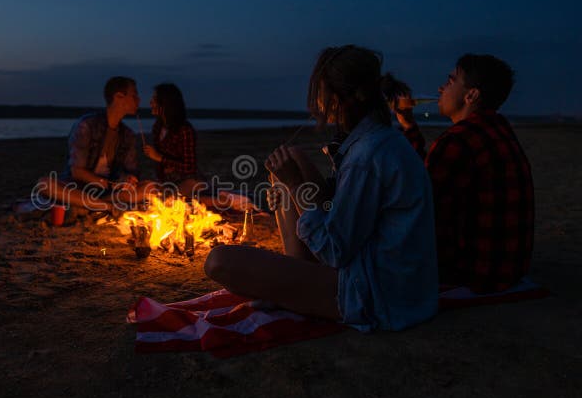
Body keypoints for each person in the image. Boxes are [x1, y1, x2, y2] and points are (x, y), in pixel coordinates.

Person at [204, 45, 438, 332]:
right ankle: (297, 275)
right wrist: (291, 186)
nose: (318, 102)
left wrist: (294, 185)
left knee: (219, 261)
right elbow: (337, 211)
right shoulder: (376, 138)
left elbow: (334, 251)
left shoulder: (367, 156)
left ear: (341, 99)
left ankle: (296, 290)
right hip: (387, 279)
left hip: (378, 296)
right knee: (291, 160)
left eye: (322, 93)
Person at [394, 54, 534, 293]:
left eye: (450, 81)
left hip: (472, 273)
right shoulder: (498, 129)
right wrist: (408, 126)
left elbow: (419, 204)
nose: (441, 88)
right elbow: (430, 178)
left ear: (471, 95)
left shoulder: (458, 140)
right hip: (510, 268)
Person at [36, 76, 153, 215]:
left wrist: (128, 179)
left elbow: (131, 170)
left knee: (149, 187)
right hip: (78, 188)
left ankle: (90, 205)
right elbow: (77, 172)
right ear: (119, 96)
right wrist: (103, 182)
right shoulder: (87, 125)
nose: (138, 100)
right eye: (134, 95)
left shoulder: (128, 134)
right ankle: (105, 206)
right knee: (44, 184)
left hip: (108, 192)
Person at [141, 82, 255, 211]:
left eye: (154, 99)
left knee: (179, 200)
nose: (150, 103)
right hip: (170, 182)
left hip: (189, 180)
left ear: (165, 103)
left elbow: (190, 166)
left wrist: (160, 158)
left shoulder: (184, 130)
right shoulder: (157, 128)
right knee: (155, 196)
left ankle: (228, 200)